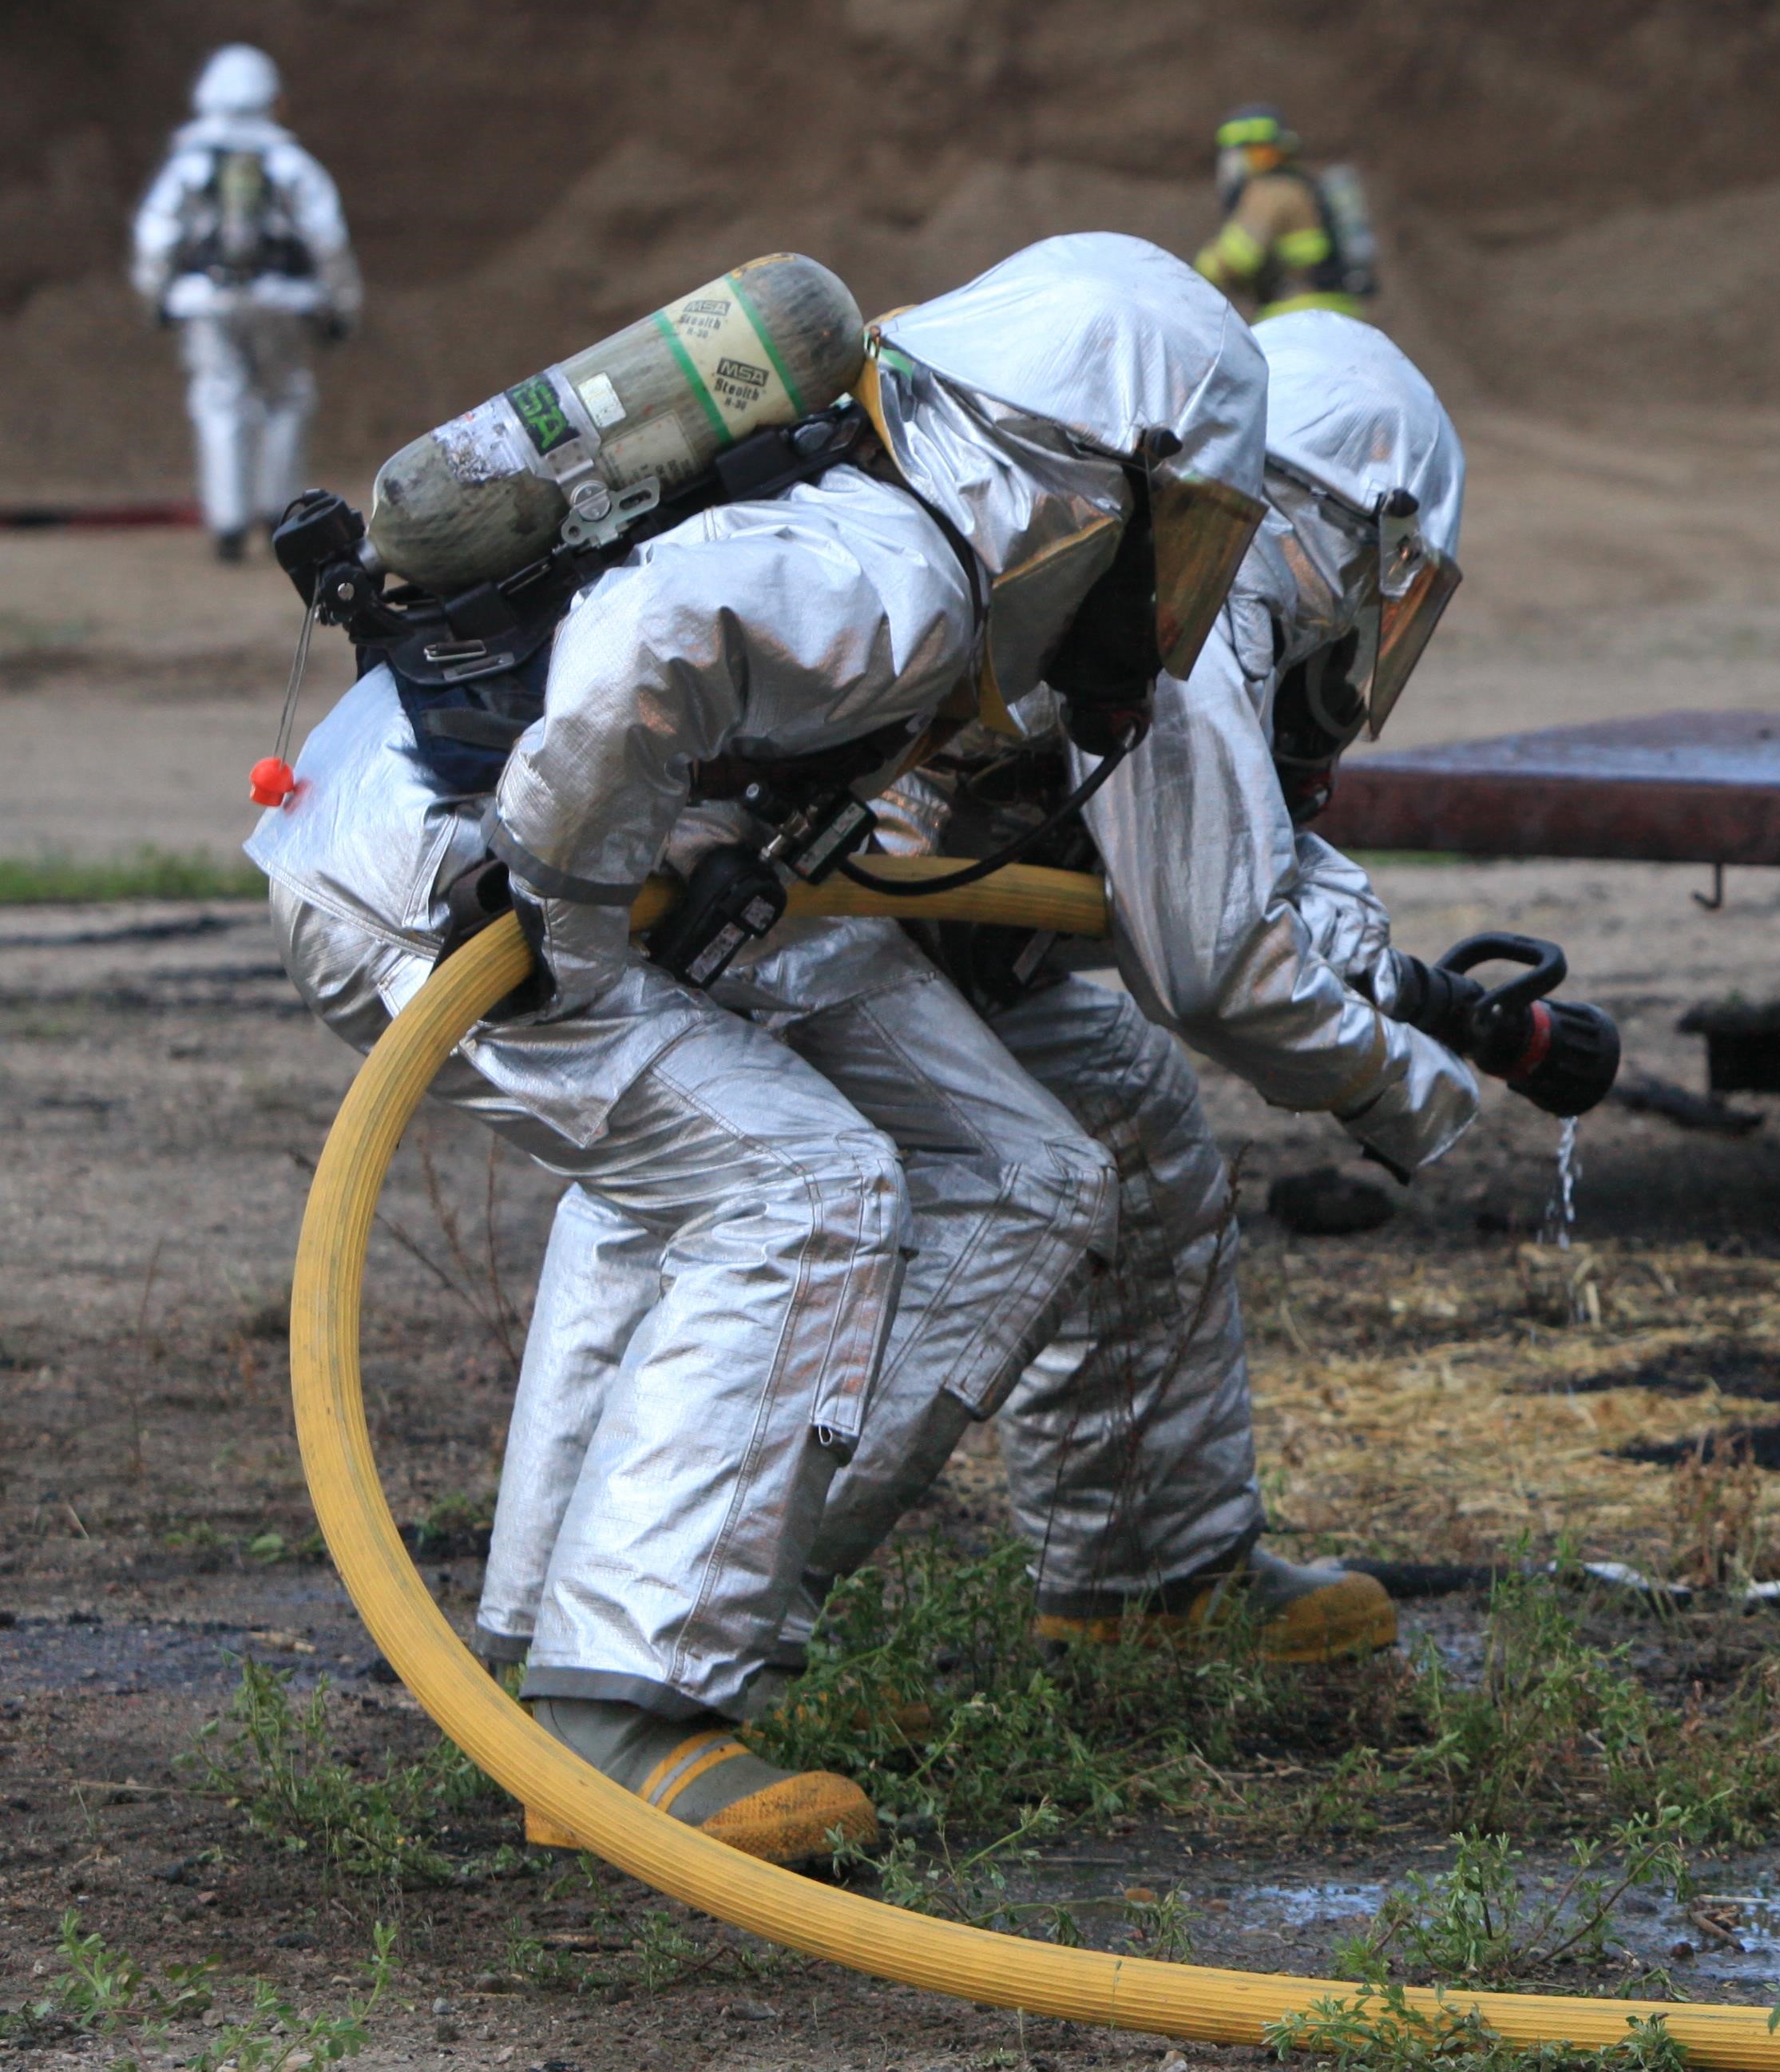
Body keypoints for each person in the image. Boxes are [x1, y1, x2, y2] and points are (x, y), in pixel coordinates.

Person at [250, 233, 1271, 1864]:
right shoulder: (908, 574)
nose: (1171, 583)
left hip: (495, 859)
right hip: (445, 895)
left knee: (1024, 1174)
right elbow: (656, 634)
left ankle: (658, 1613)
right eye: (1185, 530)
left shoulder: (901, 531)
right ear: (1102, 475)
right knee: (798, 1188)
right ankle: (623, 1711)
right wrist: (570, 928)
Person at [797, 306, 1614, 1659]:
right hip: (833, 917)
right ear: (1356, 518)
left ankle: (1150, 1575)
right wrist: (1419, 1094)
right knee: (1002, 1192)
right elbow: (1216, 954)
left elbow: (1250, 853)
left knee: (1139, 1147)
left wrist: (1399, 985)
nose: (1373, 616)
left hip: (895, 910)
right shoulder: (1209, 587)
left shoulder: (1194, 574)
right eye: (1386, 570)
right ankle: (693, 1644)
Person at [129, 44, 363, 562]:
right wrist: (342, 308)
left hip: (205, 302)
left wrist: (157, 296)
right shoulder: (293, 166)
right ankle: (277, 517)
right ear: (270, 98)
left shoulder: (188, 167)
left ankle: (228, 523)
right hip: (284, 302)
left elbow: (155, 236)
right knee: (286, 399)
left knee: (218, 399)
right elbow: (329, 242)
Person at [1195, 109, 1360, 320]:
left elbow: (1237, 256)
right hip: (1334, 310)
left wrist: (1189, 272)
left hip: (1298, 314)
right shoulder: (1297, 185)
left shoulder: (1271, 191)